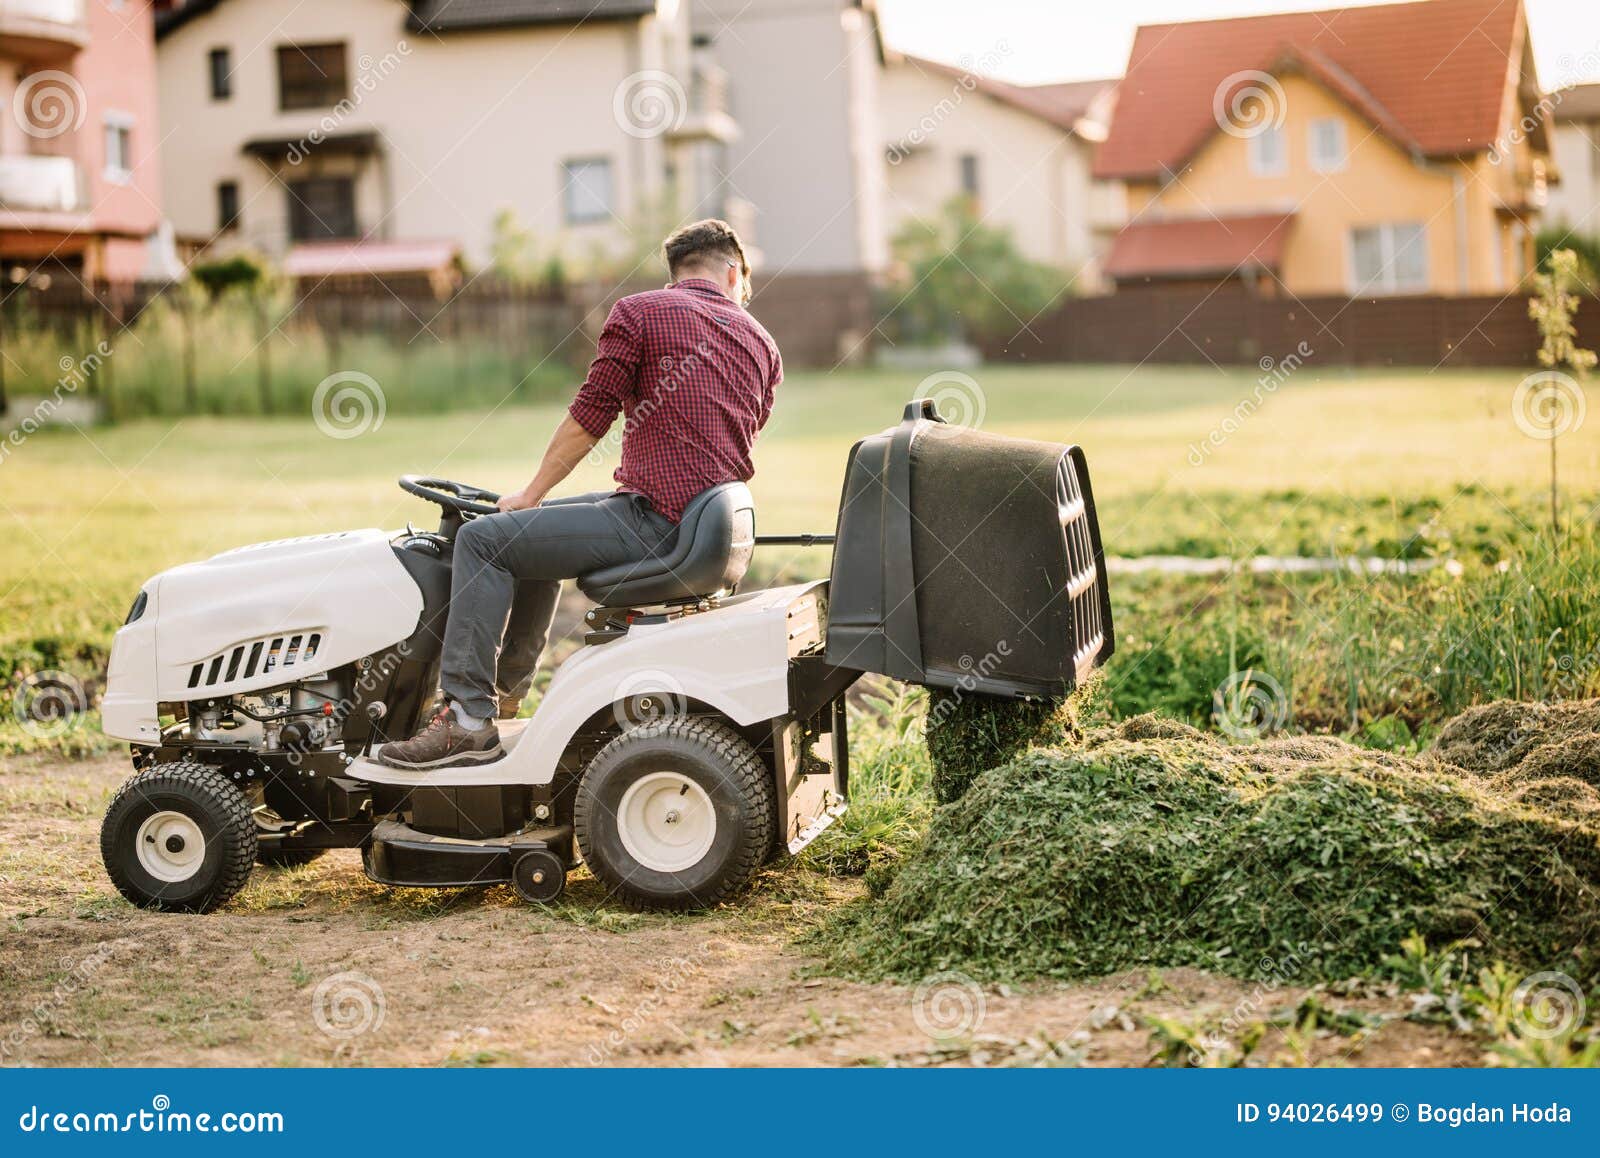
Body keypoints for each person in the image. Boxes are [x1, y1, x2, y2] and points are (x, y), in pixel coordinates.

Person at [378, 219, 781, 770]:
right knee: (526, 532)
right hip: (695, 520)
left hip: (656, 520)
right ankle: (506, 695)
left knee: (481, 541)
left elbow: (592, 413)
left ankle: (468, 721)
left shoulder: (640, 312)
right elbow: (732, 432)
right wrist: (533, 502)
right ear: (733, 273)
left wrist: (531, 490)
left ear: (678, 273)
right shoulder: (762, 343)